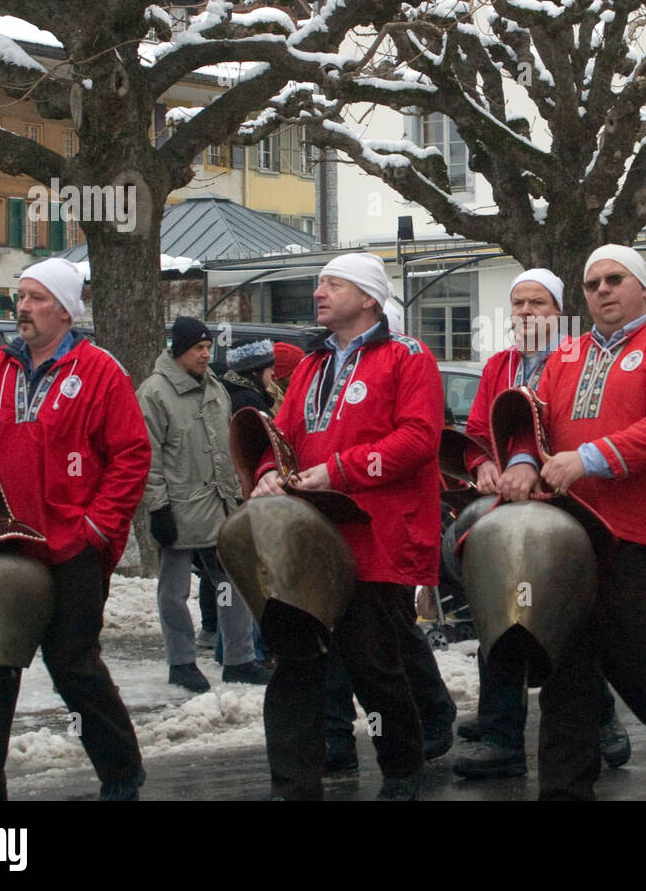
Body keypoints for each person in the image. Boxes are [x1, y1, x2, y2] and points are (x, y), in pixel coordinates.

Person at [0, 257, 151, 801]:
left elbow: (132, 455)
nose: (22, 307)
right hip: (0, 545)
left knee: (73, 666)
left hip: (71, 547)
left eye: (36, 298)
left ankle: (121, 773)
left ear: (66, 310)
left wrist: (97, 526)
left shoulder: (101, 371)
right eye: (20, 296)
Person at [498, 244, 646, 800]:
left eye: (614, 279)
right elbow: (532, 416)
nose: (601, 290)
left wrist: (589, 458)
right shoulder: (566, 354)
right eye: (592, 282)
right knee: (565, 679)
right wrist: (524, 460)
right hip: (570, 540)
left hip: (643, 536)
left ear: (642, 288)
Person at [251, 252, 444, 801]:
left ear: (368, 298)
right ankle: (292, 782)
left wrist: (338, 469)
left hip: (378, 536)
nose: (319, 292)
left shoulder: (409, 357)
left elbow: (418, 439)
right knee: (296, 660)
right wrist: (269, 471)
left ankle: (402, 767)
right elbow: (281, 437)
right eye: (318, 283)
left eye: (333, 284)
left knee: (371, 664)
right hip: (310, 539)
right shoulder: (311, 365)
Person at [450, 268, 630, 779]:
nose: (526, 313)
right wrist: (483, 465)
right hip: (508, 515)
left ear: (559, 313)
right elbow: (479, 430)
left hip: (564, 505)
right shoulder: (498, 366)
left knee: (570, 619)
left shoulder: (581, 361)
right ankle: (501, 737)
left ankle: (602, 723)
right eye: (519, 304)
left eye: (538, 304)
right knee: (496, 613)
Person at [137, 317, 268, 695]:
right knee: (174, 593)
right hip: (177, 509)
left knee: (230, 583)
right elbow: (147, 456)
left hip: (219, 505)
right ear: (179, 351)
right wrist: (158, 507)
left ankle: (239, 659)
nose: (206, 354)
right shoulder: (154, 393)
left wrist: (237, 494)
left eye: (208, 347)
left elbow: (227, 445)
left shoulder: (215, 387)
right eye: (198, 348)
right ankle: (181, 662)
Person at [221, 340, 276, 413]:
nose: (273, 373)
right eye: (270, 369)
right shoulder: (249, 401)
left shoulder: (227, 388)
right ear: (255, 372)